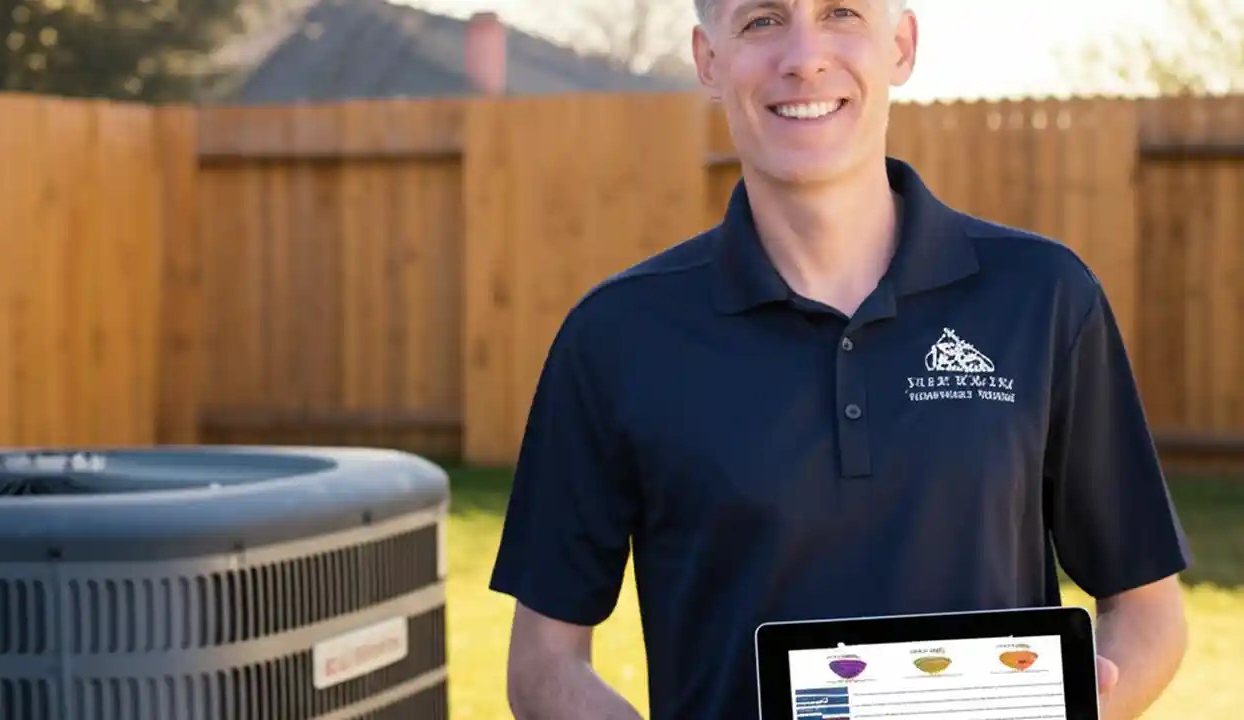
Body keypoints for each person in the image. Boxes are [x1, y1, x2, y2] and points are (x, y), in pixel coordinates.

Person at [488, 1, 1192, 718]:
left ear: (901, 46)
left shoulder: (1042, 298)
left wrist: (1081, 708)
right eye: (763, 20)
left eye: (841, 13)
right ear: (708, 59)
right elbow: (544, 663)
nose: (805, 56)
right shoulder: (616, 336)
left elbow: (1148, 613)